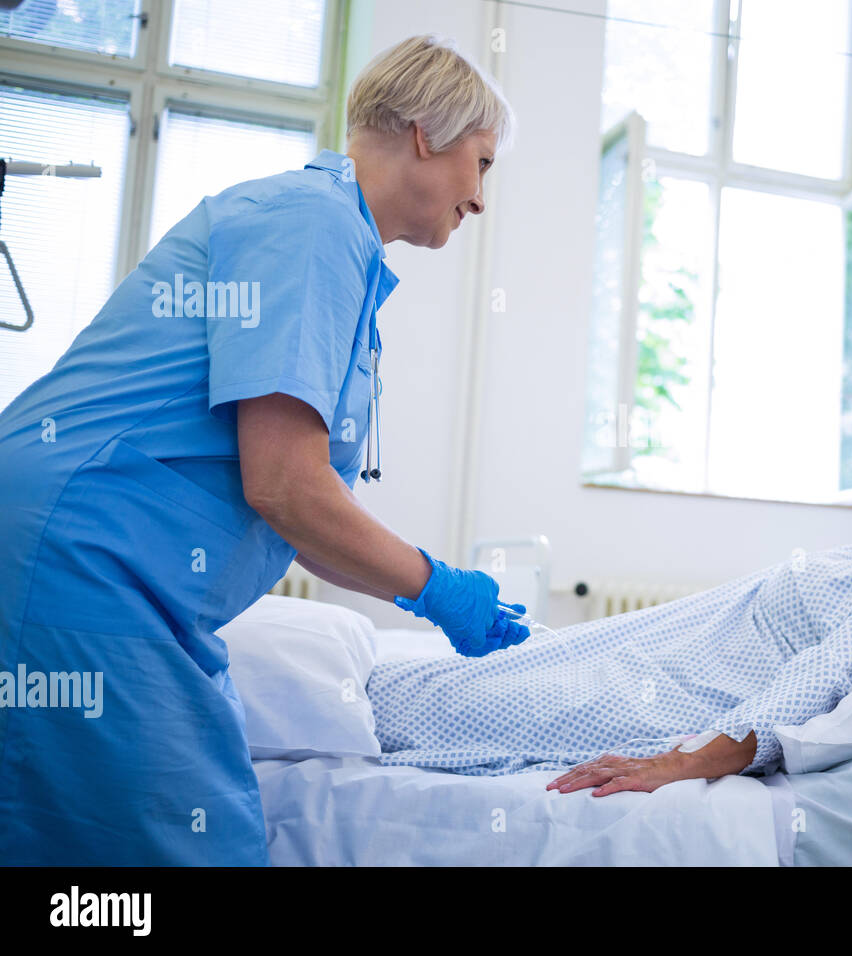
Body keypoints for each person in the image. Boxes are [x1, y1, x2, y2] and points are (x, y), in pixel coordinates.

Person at [0, 35, 529, 866]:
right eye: (484, 163)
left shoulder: (333, 241)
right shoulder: (310, 225)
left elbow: (304, 518)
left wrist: (429, 597)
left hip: (117, 573)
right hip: (81, 559)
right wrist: (436, 583)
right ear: (428, 131)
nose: (482, 198)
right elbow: (284, 485)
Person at [366, 446, 852, 795]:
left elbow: (827, 672)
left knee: (441, 705)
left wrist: (687, 761)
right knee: (441, 684)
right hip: (651, 659)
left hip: (676, 699)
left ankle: (297, 722)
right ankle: (300, 712)